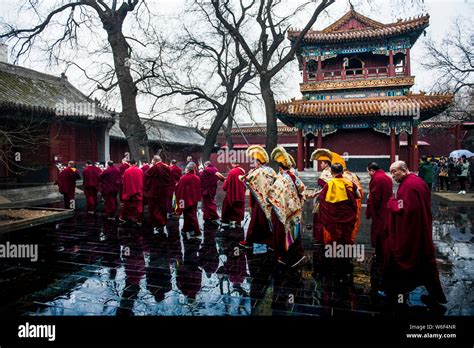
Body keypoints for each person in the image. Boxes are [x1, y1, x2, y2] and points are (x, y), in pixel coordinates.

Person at [384, 161, 447, 307]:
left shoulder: (410, 186)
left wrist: (392, 202)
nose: (392, 175)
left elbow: (406, 208)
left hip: (410, 232)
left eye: (394, 172)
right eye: (391, 172)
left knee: (403, 259)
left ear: (404, 170)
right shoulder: (417, 182)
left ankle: (398, 293)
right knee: (426, 263)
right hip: (420, 228)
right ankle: (436, 295)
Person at [318, 163, 360, 275]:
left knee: (334, 239)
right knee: (346, 239)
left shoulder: (329, 184)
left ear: (331, 172)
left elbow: (322, 199)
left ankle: (335, 264)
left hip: (334, 218)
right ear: (342, 172)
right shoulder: (350, 183)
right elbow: (358, 196)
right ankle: (345, 263)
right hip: (348, 217)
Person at [267, 146, 306, 267]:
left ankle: (286, 257)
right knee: (294, 232)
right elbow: (302, 189)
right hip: (295, 210)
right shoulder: (294, 177)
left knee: (283, 234)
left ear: (280, 168)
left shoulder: (280, 180)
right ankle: (298, 254)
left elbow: (272, 196)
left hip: (283, 212)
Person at [239, 145, 276, 249]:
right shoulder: (271, 170)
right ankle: (269, 241)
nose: (255, 163)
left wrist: (250, 173)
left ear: (259, 162)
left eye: (256, 161)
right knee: (266, 221)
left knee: (256, 221)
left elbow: (245, 180)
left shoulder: (259, 171)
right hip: (269, 200)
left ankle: (250, 242)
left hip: (260, 201)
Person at [365, 162, 392, 261]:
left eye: (368, 171)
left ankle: (380, 253)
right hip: (387, 208)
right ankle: (384, 251)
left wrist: (369, 198)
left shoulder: (377, 179)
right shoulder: (387, 177)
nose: (368, 173)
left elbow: (375, 198)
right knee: (385, 230)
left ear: (372, 170)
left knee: (378, 231)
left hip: (379, 211)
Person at [310, 149, 333, 244]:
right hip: (329, 199)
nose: (320, 165)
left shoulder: (326, 173)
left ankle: (321, 237)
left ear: (327, 164)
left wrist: (317, 193)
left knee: (320, 218)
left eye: (322, 163)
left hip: (324, 199)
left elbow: (326, 188)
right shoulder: (331, 171)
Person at [144, 155, 171, 235]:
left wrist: (151, 166)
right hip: (164, 191)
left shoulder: (156, 167)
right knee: (163, 207)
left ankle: (160, 223)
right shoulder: (166, 166)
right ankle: (163, 222)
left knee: (156, 208)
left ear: (154, 160)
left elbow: (146, 174)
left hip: (156, 192)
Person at [175, 163, 202, 239]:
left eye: (186, 169)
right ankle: (185, 229)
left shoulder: (183, 178)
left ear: (187, 170)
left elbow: (179, 188)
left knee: (190, 215)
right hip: (194, 199)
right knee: (189, 214)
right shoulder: (197, 178)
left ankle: (197, 232)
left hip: (186, 199)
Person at [221, 161, 246, 228]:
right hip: (240, 193)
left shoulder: (232, 172)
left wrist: (224, 186)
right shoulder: (242, 171)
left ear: (233, 164)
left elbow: (228, 182)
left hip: (232, 193)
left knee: (226, 205)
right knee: (239, 207)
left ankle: (227, 219)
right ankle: (238, 222)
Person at [119, 159, 144, 226]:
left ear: (129, 163)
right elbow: (143, 180)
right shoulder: (140, 170)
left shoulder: (127, 171)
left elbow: (123, 182)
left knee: (127, 206)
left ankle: (126, 218)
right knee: (138, 208)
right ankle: (139, 220)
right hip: (138, 191)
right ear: (135, 163)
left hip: (129, 192)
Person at [199, 161, 224, 226]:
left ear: (206, 165)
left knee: (208, 203)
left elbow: (201, 178)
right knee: (209, 202)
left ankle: (214, 216)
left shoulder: (206, 170)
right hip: (213, 189)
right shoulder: (215, 169)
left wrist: (201, 171)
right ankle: (207, 216)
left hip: (206, 190)